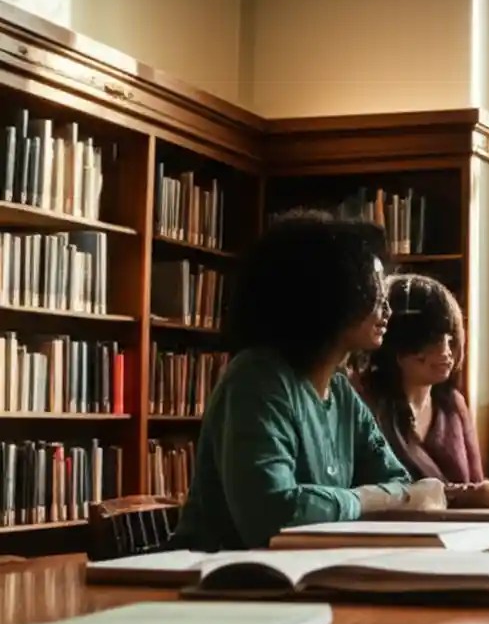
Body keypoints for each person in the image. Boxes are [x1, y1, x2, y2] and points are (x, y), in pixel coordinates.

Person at [173, 210, 446, 551]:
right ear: (325, 294)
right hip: (216, 583)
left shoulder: (341, 391)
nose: (386, 310)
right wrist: (369, 500)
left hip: (306, 577)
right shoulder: (256, 379)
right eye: (372, 293)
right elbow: (274, 515)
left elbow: (396, 481)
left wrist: (386, 496)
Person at [355, 273, 489, 507]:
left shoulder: (452, 404)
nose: (446, 351)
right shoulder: (364, 403)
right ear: (400, 341)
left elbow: (474, 484)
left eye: (450, 338)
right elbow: (381, 494)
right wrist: (483, 493)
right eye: (434, 339)